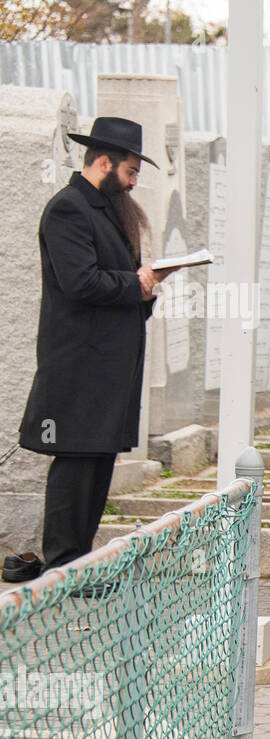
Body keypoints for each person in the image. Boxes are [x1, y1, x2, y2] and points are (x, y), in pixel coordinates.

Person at [12, 117, 170, 582]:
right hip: (80, 364)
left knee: (97, 463)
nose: (135, 180)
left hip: (109, 367)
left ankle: (78, 564)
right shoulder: (69, 209)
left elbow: (119, 283)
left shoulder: (108, 210)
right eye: (131, 170)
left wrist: (145, 287)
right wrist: (136, 284)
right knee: (76, 462)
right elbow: (79, 282)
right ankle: (62, 567)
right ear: (104, 162)